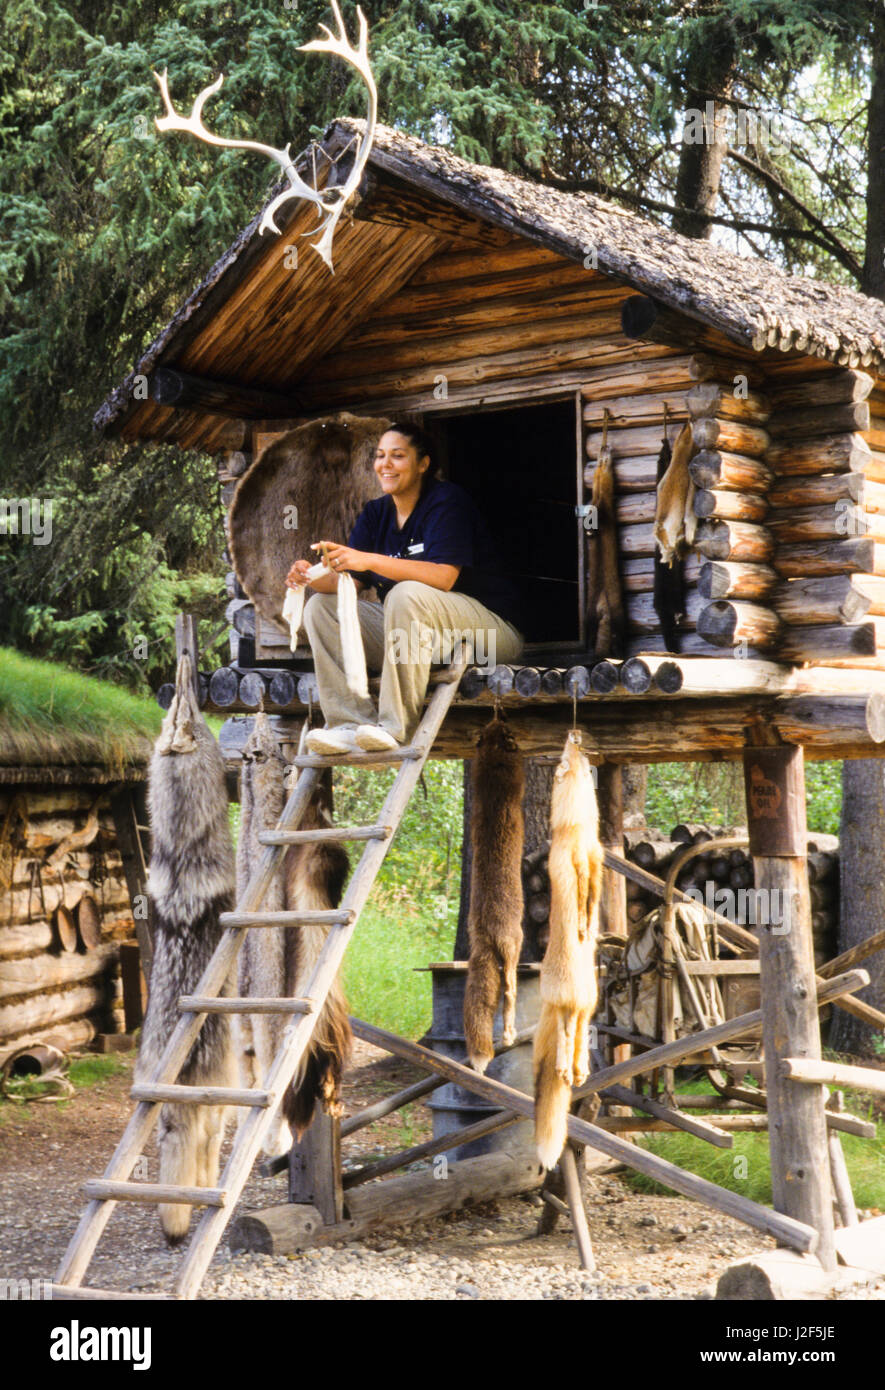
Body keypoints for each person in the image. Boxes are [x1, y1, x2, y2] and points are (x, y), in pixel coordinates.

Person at [286, 420, 524, 755]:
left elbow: (443, 577)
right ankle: (346, 723)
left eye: (397, 456)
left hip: (489, 639)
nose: (385, 464)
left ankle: (395, 727)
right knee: (320, 607)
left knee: (404, 592)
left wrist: (367, 559)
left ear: (423, 463)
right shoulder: (375, 513)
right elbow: (350, 581)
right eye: (380, 456)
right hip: (419, 641)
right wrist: (309, 577)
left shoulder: (446, 501)